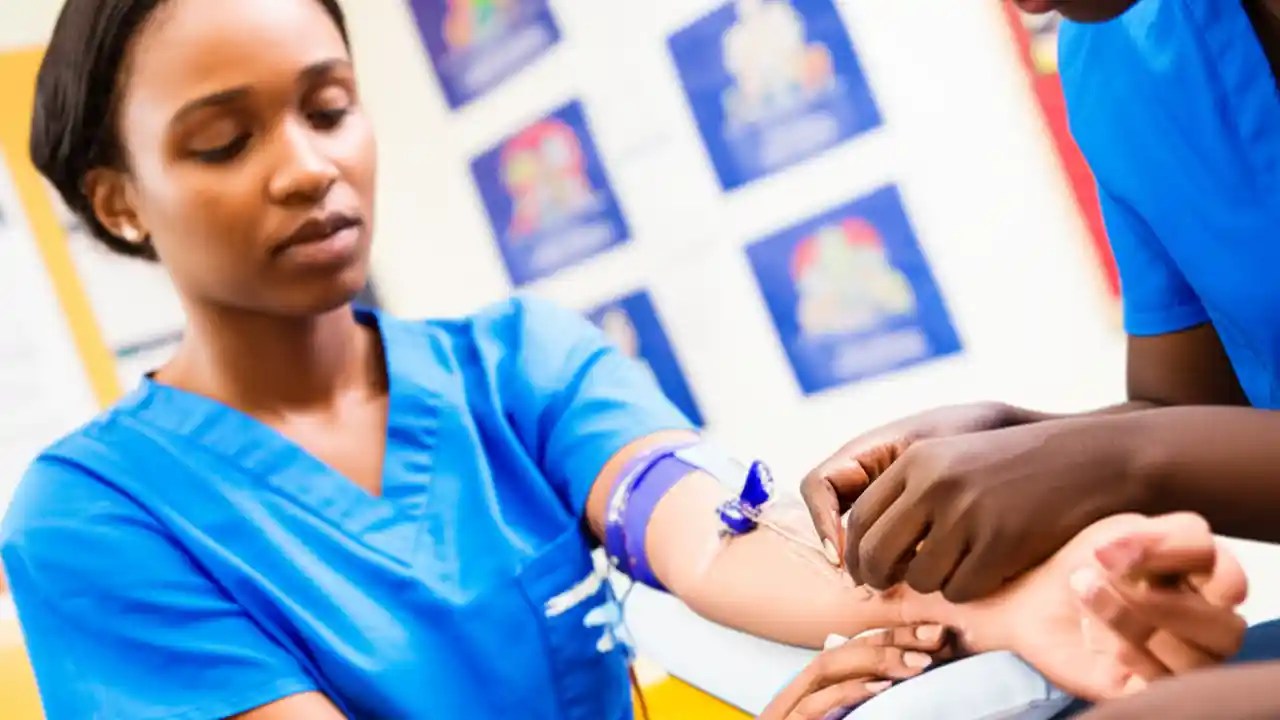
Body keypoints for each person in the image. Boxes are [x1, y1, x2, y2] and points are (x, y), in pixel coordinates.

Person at [0, 1, 1244, 719]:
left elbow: (714, 538)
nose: (307, 166)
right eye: (221, 141)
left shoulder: (518, 364)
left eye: (328, 107)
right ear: (118, 202)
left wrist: (1009, 610)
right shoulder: (91, 518)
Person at [800, 0, 1280, 711]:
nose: (1028, 6)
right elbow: (1191, 416)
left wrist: (1112, 461)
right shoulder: (1115, 57)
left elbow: (1163, 446)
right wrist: (1019, 435)